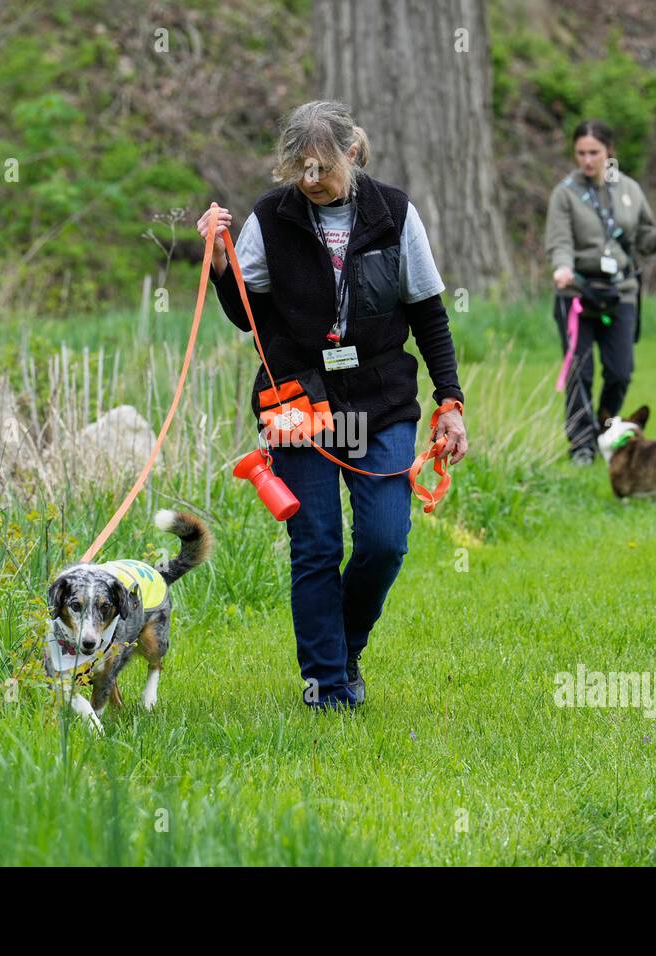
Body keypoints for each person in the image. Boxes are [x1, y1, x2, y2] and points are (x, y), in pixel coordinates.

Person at [195, 100, 467, 710]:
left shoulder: (394, 213)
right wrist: (220, 267)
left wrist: (449, 400)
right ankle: (326, 684)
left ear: (353, 152)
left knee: (385, 540)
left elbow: (428, 313)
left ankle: (345, 650)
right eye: (300, 170)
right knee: (316, 545)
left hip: (382, 400)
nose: (311, 181)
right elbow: (249, 318)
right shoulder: (270, 217)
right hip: (299, 402)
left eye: (322, 167)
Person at [545, 119, 656, 464]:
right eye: (581, 153)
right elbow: (559, 242)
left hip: (621, 292)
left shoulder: (629, 190)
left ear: (608, 152)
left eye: (594, 153)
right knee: (579, 371)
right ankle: (582, 445)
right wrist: (562, 267)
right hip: (578, 293)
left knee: (620, 371)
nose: (587, 160)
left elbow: (646, 240)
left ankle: (604, 427)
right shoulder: (565, 194)